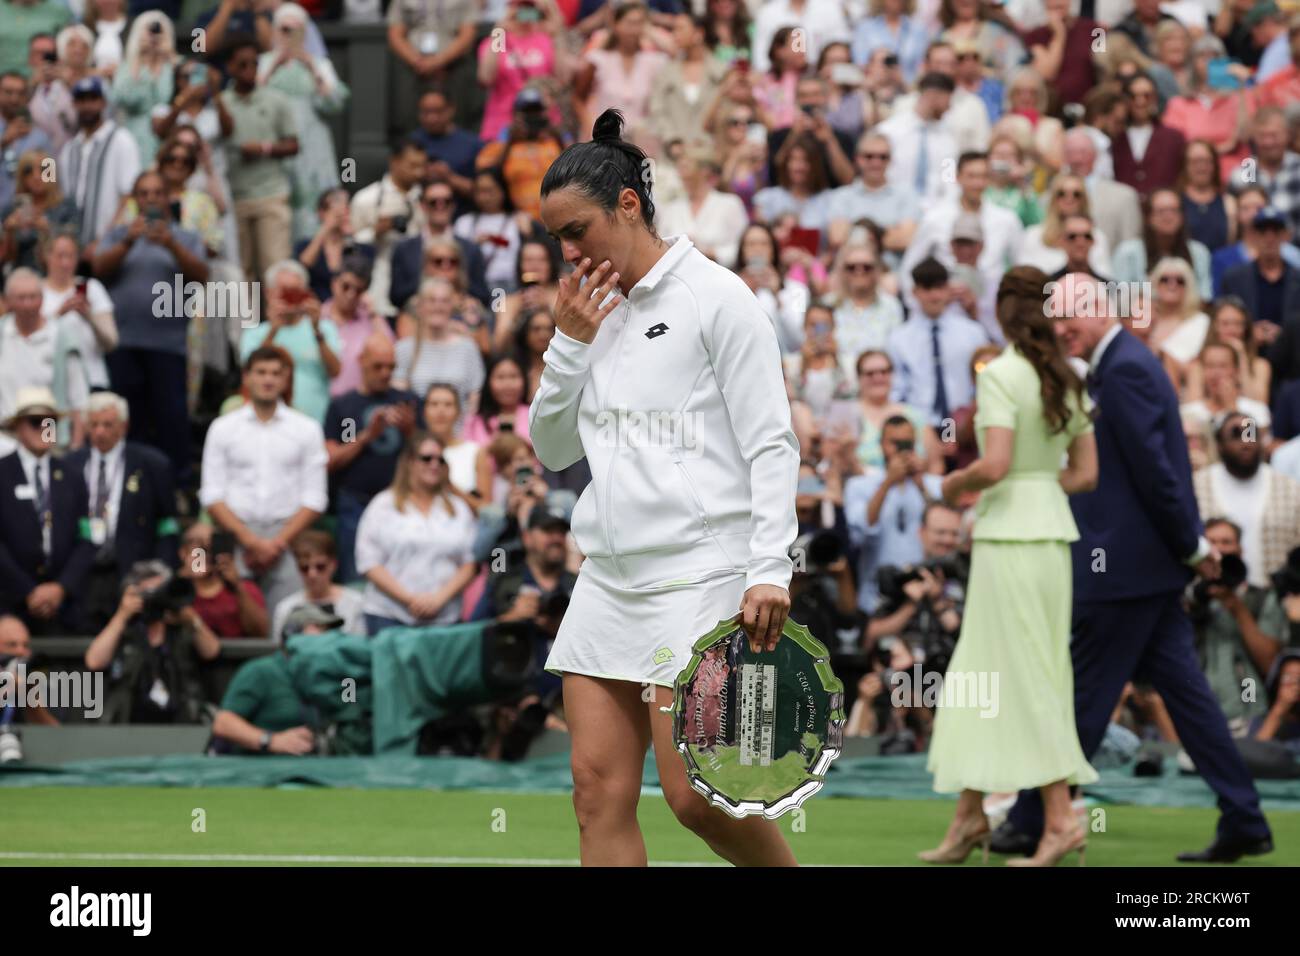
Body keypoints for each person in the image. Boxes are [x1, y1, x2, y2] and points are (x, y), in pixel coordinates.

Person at [531, 109, 800, 866]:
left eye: (576, 229)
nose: (567, 250)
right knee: (594, 794)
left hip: (700, 578)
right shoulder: (586, 311)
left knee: (695, 798)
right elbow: (552, 449)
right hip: (608, 582)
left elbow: (771, 442)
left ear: (627, 204)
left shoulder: (719, 297)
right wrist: (568, 343)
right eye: (556, 238)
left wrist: (769, 567)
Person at [995, 272, 1274, 864]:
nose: (1060, 329)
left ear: (1098, 309)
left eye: (1070, 316)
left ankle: (1026, 821)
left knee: (1085, 700)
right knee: (1185, 697)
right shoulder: (1119, 363)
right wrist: (1187, 549)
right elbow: (1151, 470)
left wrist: (1193, 547)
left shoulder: (1122, 368)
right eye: (1055, 318)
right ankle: (1244, 817)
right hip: (1138, 568)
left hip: (1126, 570)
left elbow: (1157, 474)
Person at [920, 266, 1099, 867]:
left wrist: (954, 483)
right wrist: (1037, 484)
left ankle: (1060, 821)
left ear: (1003, 310)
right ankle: (968, 820)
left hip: (1010, 540)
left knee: (1022, 678)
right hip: (1047, 537)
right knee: (992, 673)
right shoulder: (1066, 378)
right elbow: (1085, 473)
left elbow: (993, 465)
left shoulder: (999, 375)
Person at [94, 169, 209, 486]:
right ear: (135, 199)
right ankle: (127, 486)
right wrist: (128, 242)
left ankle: (178, 487)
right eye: (143, 193)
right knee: (130, 419)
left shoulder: (185, 237)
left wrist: (171, 245)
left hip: (167, 344)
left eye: (157, 193)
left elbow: (202, 276)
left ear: (167, 197)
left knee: (172, 419)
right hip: (124, 343)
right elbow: (98, 269)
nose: (150, 199)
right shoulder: (120, 234)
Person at [200, 345, 328, 615]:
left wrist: (277, 543)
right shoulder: (223, 428)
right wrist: (250, 540)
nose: (268, 380)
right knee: (233, 620)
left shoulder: (307, 429)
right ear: (246, 377)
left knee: (289, 622)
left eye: (275, 373)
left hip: (289, 539)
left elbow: (315, 498)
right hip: (236, 536)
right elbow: (211, 494)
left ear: (285, 380)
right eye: (260, 372)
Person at [67, 391, 178, 633]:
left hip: (132, 572)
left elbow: (168, 525)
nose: (100, 432)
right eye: (94, 424)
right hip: (82, 574)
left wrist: (161, 573)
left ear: (124, 426)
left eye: (108, 424)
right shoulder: (69, 465)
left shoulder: (152, 464)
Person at [355, 431, 479, 634]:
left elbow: (470, 563)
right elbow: (369, 562)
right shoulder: (382, 505)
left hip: (444, 616)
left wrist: (438, 599)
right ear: (409, 462)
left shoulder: (458, 509)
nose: (434, 464)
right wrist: (410, 599)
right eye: (426, 458)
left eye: (441, 459)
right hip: (389, 615)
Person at [324, 335, 418, 583]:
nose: (385, 373)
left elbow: (428, 454)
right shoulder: (342, 405)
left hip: (400, 502)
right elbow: (332, 460)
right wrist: (367, 436)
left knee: (403, 574)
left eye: (391, 367)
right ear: (361, 361)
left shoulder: (407, 401)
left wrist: (410, 432)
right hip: (355, 502)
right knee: (355, 576)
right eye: (378, 366)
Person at [0, 387, 94, 634]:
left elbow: (86, 536)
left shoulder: (72, 476)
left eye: (49, 421)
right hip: (10, 603)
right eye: (35, 421)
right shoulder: (2, 473)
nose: (44, 427)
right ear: (18, 427)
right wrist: (27, 591)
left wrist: (60, 588)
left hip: (64, 605)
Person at [83, 561, 221, 723]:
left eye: (161, 590)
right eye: (149, 592)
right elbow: (94, 661)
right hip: (130, 723)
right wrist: (121, 615)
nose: (156, 598)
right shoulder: (126, 630)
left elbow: (212, 651)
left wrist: (192, 620)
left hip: (181, 722)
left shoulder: (180, 627)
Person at [258, 3, 349, 242]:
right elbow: (253, 101)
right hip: (276, 141)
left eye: (295, 29)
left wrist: (310, 65)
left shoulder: (320, 64)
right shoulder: (263, 62)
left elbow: (335, 104)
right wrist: (276, 64)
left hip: (312, 145)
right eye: (283, 29)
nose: (288, 35)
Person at [844, 414, 944, 615]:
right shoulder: (860, 485)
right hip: (876, 597)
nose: (901, 449)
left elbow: (944, 525)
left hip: (924, 594)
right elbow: (863, 530)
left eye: (907, 443)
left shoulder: (931, 485)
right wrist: (888, 483)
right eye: (894, 443)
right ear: (881, 445)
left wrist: (919, 483)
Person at [220, 34, 299, 282]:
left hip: (270, 194)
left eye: (255, 63)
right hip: (234, 197)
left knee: (275, 269)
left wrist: (264, 148)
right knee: (242, 273)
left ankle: (280, 320)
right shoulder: (221, 103)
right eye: (242, 64)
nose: (250, 70)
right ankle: (247, 322)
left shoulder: (276, 101)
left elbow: (293, 144)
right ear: (229, 67)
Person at [1192, 412, 1300, 591]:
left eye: (1250, 434)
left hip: (1275, 601)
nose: (1245, 442)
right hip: (1214, 599)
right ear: (1219, 445)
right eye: (1236, 434)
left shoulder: (1290, 489)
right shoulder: (1196, 487)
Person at [888, 257, 989, 430]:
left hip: (963, 425)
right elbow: (896, 390)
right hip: (919, 426)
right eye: (927, 289)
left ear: (948, 289)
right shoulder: (898, 339)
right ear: (915, 291)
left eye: (940, 288)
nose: (934, 296)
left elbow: (983, 382)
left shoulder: (973, 333)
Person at [239, 259, 341, 423]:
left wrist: (316, 330)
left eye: (296, 293)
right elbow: (250, 374)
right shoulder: (254, 334)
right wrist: (274, 329)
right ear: (268, 293)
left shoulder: (324, 328)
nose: (291, 300)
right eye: (285, 293)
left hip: (317, 421)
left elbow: (335, 371)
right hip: (268, 423)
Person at [57, 74, 140, 247]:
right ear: (74, 104)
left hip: (110, 246)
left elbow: (130, 196)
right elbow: (62, 197)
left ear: (103, 102)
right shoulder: (68, 149)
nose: (87, 106)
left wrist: (105, 241)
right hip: (73, 249)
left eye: (93, 99)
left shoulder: (121, 140)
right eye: (81, 100)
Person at [349, 139, 426, 319]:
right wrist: (376, 231)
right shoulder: (366, 199)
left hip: (418, 288)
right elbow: (349, 247)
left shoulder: (431, 200)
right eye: (413, 165)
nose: (419, 172)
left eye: (423, 165)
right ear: (394, 162)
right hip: (378, 284)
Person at [393, 277, 486, 409]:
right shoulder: (404, 349)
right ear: (420, 306)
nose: (438, 306)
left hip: (459, 428)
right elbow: (399, 397)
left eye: (444, 301)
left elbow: (474, 397)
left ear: (452, 306)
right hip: (418, 427)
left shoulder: (468, 348)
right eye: (432, 300)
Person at [177, 520, 269, 639]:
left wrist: (237, 587)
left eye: (211, 543)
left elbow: (260, 633)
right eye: (197, 543)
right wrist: (179, 581)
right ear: (183, 552)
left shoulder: (243, 588)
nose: (204, 549)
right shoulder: (174, 587)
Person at [269, 530, 364, 643]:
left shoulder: (356, 602)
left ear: (333, 565)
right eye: (304, 568)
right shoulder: (285, 607)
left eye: (320, 567)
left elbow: (358, 649)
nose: (312, 574)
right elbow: (280, 651)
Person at [111, 12, 177, 164]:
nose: (154, 36)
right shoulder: (127, 66)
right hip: (132, 137)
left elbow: (167, 96)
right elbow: (123, 98)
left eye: (159, 31)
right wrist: (140, 62)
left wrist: (166, 58)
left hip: (163, 140)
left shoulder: (172, 66)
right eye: (149, 30)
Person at [1061, 128, 1142, 253]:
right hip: (1066, 271)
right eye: (1071, 153)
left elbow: (1130, 249)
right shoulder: (1051, 196)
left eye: (1083, 152)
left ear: (1095, 155)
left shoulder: (1124, 196)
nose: (1077, 159)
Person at [1111, 72, 1186, 202]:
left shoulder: (1174, 138)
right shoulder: (1114, 138)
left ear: (1155, 98)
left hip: (1162, 212)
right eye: (1133, 96)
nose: (1140, 101)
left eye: (1146, 96)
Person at [0, 71, 50, 211]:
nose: (14, 99)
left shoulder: (40, 138)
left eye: (20, 93)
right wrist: (3, 141)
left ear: (27, 98)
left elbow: (50, 181)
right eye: (8, 92)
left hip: (25, 222)